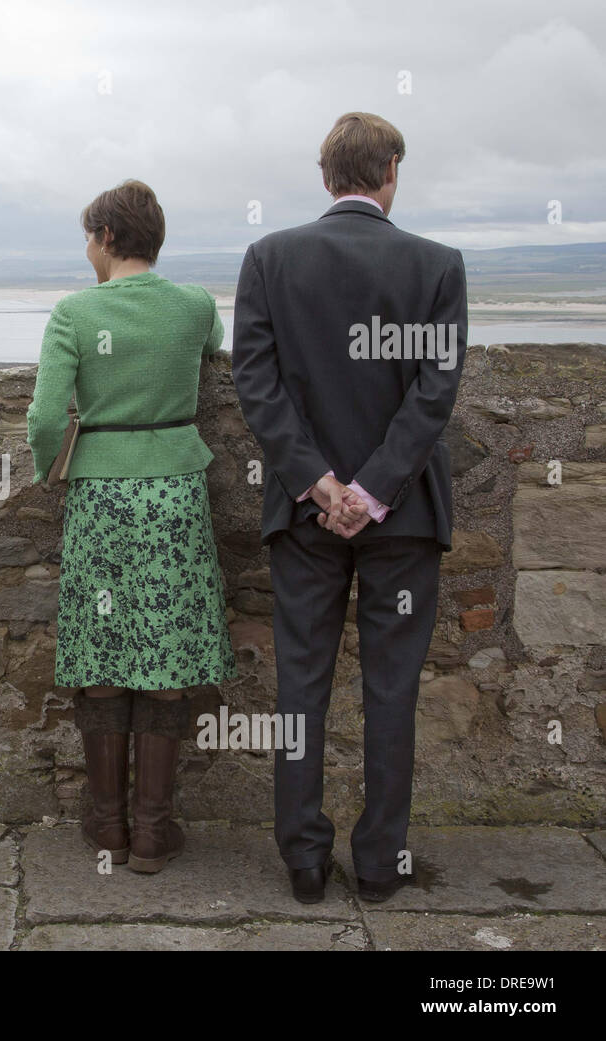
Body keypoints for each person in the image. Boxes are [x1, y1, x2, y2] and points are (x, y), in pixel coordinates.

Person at [232, 112, 467, 904]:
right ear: (391, 171)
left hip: (305, 518)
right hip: (401, 517)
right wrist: (372, 491)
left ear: (325, 174)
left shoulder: (269, 258)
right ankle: (378, 865)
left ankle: (302, 859)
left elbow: (254, 382)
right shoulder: (438, 266)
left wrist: (319, 484)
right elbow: (436, 393)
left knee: (301, 683)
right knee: (391, 689)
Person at [27, 180, 238, 874]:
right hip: (175, 491)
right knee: (166, 653)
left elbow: (46, 419)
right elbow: (213, 350)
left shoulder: (74, 314)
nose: (87, 249)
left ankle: (108, 824)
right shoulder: (196, 305)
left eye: (89, 236)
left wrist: (47, 471)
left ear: (109, 238)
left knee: (101, 653)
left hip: (101, 498)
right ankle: (153, 830)